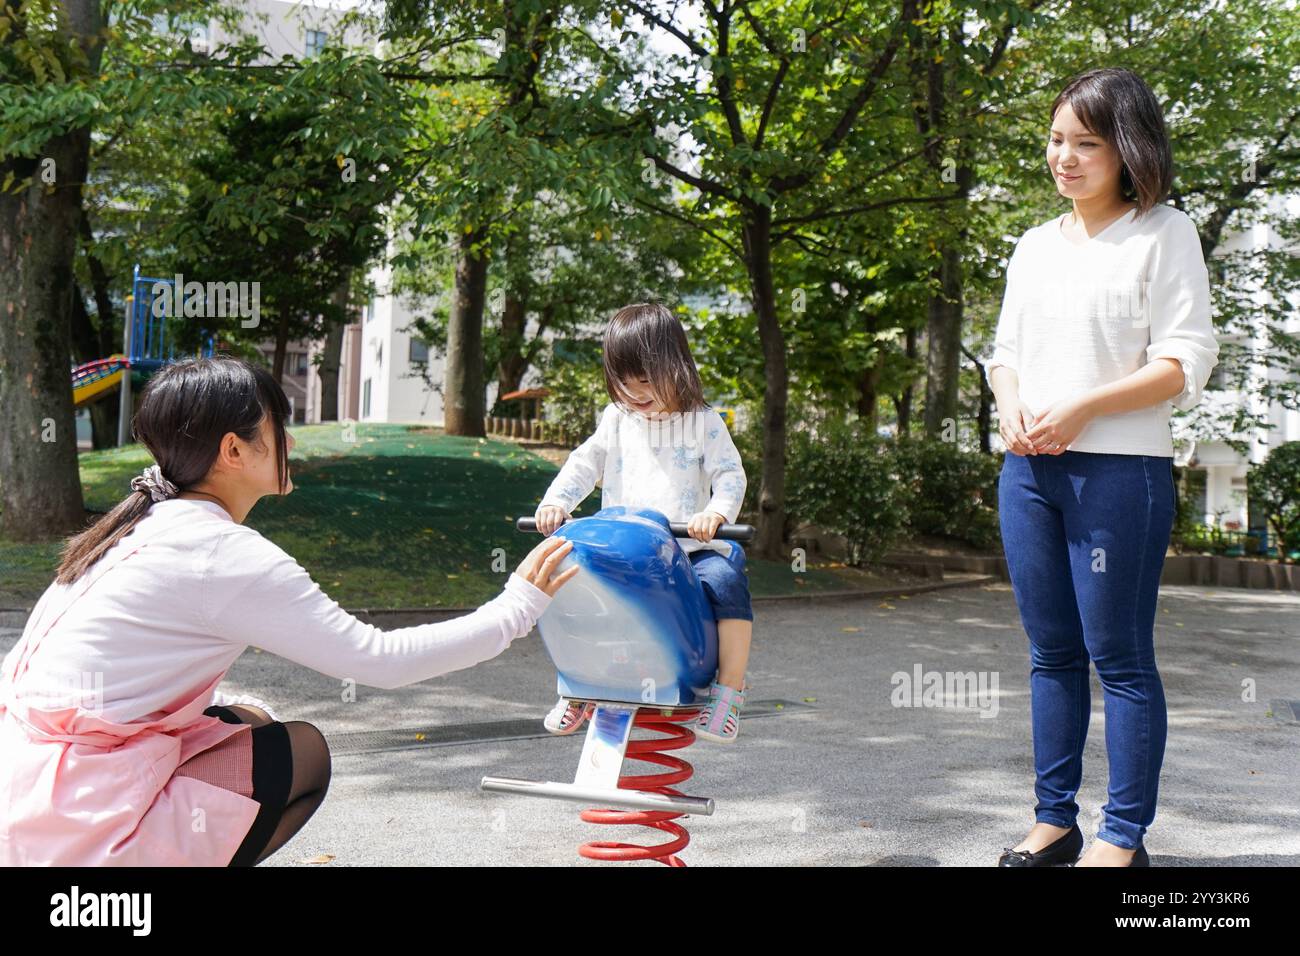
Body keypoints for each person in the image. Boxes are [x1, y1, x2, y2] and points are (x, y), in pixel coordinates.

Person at [0, 356, 577, 866]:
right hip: (75, 816)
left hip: (23, 785)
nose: (291, 444)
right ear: (233, 450)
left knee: (251, 719)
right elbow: (379, 659)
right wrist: (517, 608)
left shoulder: (131, 527)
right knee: (302, 753)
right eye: (279, 430)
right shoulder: (221, 552)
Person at [985, 68, 1219, 867]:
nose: (1067, 157)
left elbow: (1184, 363)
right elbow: (1005, 354)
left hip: (1120, 475)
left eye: (1087, 142)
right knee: (1050, 654)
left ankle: (1122, 835)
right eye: (1057, 140)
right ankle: (1055, 823)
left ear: (1127, 148)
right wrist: (1011, 401)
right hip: (1028, 475)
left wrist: (1085, 405)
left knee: (1117, 657)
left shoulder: (1164, 233)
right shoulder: (1032, 245)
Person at [533, 303, 751, 742]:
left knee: (726, 579)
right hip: (624, 549)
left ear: (677, 366)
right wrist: (556, 501)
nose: (634, 392)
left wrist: (716, 513)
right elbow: (583, 464)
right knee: (569, 579)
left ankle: (728, 692)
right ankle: (577, 686)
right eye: (622, 382)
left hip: (685, 548)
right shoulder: (617, 420)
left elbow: (730, 474)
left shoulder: (703, 423)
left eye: (646, 380)